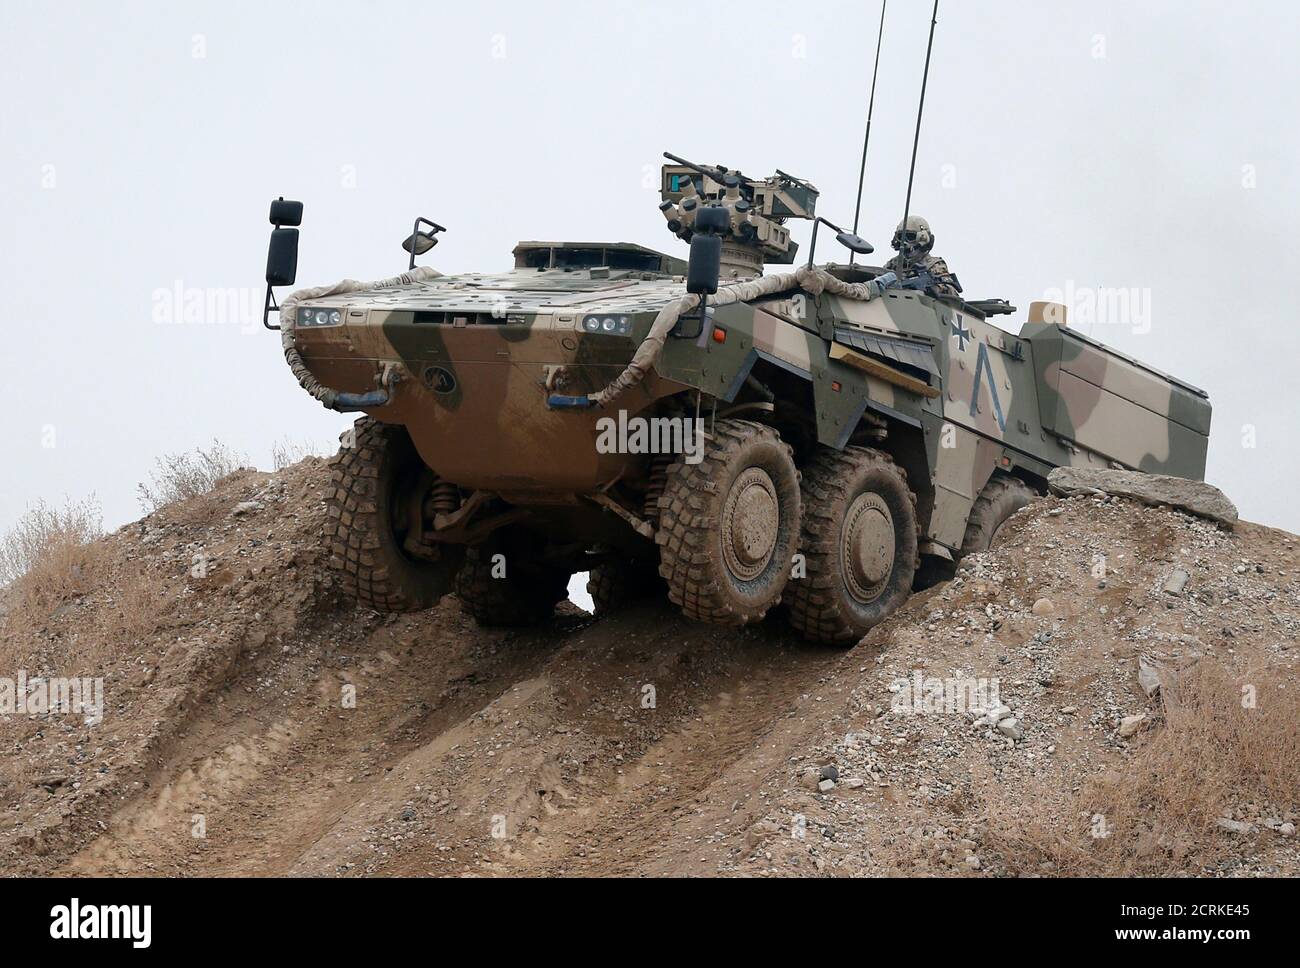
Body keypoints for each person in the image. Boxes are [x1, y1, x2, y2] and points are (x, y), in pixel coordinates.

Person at [884, 215, 962, 300]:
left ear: (923, 238)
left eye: (910, 237)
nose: (905, 242)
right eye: (901, 237)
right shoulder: (893, 264)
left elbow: (952, 292)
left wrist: (931, 288)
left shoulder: (933, 264)